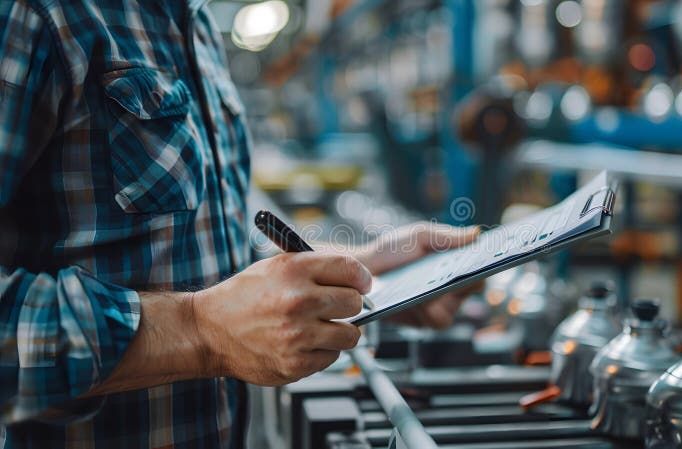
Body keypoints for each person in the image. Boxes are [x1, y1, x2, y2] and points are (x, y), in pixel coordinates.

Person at [0, 1, 481, 447]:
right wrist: (198, 330)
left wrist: (357, 273)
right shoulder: (32, 15)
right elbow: (207, 312)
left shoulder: (196, 25)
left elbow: (194, 254)